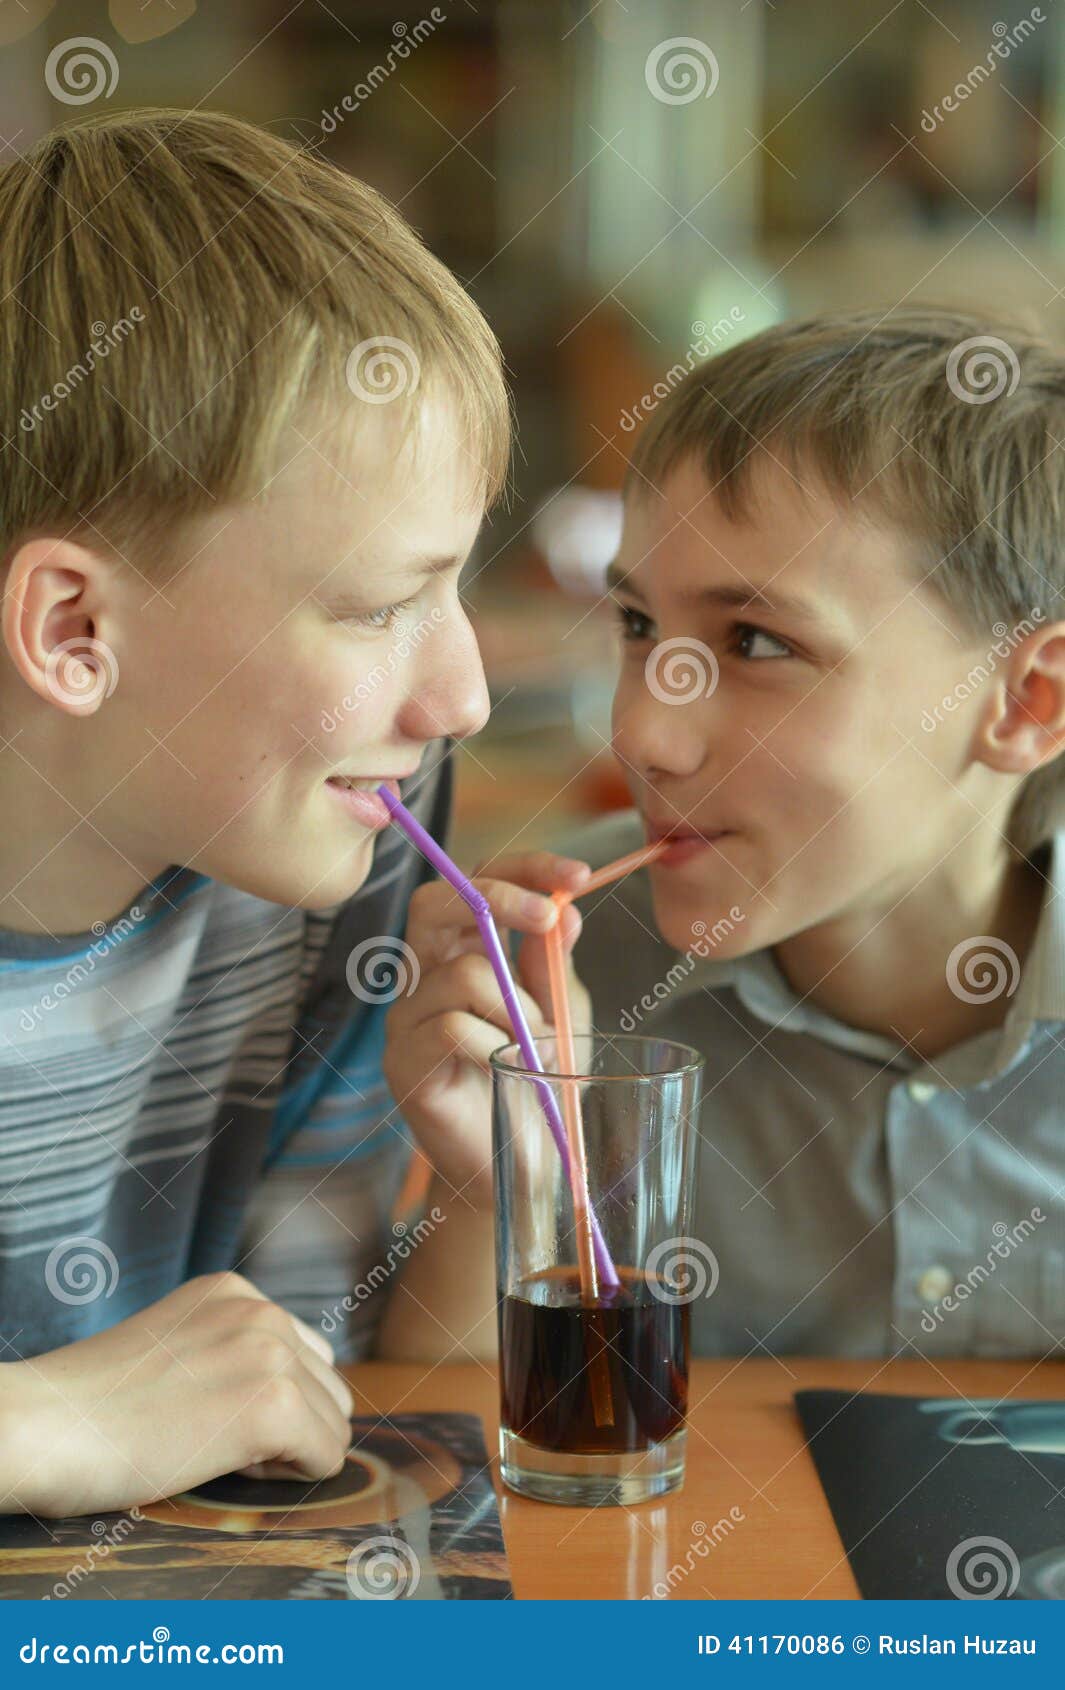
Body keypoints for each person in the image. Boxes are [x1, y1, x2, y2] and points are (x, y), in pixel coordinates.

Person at [385, 306, 1065, 1366]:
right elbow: (449, 1469)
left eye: (757, 642)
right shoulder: (569, 992)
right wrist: (497, 1188)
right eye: (639, 627)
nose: (645, 733)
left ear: (1029, 702)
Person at [0, 107, 506, 1517]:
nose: (461, 696)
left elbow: (294, 1395)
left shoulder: (325, 857)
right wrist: (35, 1421)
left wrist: (478, 1185)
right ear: (75, 626)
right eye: (380, 606)